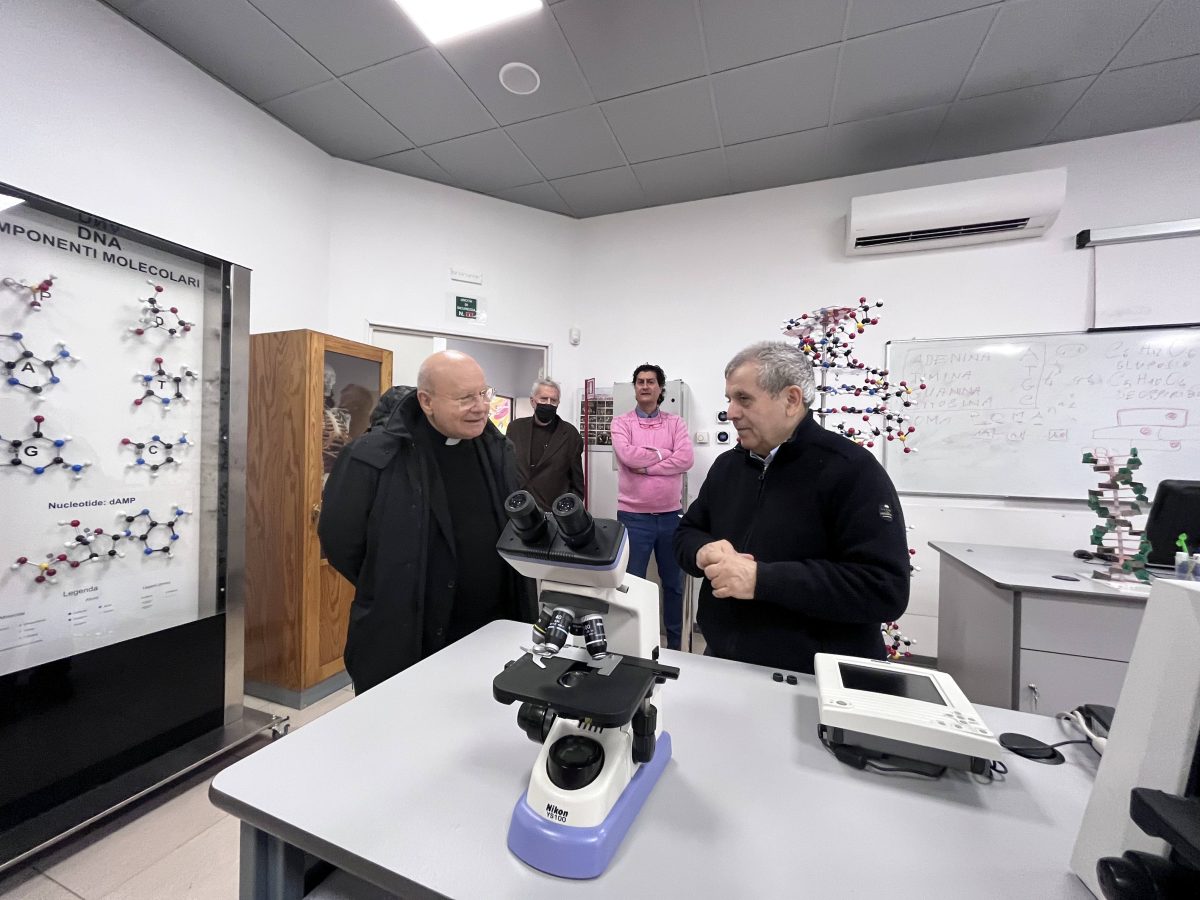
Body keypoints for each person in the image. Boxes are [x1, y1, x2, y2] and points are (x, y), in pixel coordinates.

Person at [674, 341, 909, 673]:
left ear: (791, 399)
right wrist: (701, 551)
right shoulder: (728, 467)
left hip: (815, 677)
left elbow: (884, 589)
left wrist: (762, 579)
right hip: (724, 661)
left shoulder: (851, 470)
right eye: (729, 399)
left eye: (744, 399)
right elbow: (688, 531)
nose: (731, 412)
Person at [319, 350, 536, 693]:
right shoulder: (371, 457)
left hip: (494, 634)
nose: (481, 406)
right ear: (427, 401)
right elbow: (341, 542)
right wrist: (394, 583)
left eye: (484, 393)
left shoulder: (499, 450)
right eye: (465, 397)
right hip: (405, 640)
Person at [610, 364, 694, 651]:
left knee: (673, 585)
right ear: (634, 387)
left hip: (671, 517)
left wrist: (647, 466)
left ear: (661, 388)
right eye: (640, 382)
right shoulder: (621, 423)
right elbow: (627, 455)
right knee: (632, 585)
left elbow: (685, 459)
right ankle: (634, 644)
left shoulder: (676, 424)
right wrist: (663, 455)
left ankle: (674, 648)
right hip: (633, 518)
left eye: (651, 382)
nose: (645, 386)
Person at [505, 378, 585, 511]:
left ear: (558, 403)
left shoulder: (570, 435)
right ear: (532, 401)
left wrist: (567, 512)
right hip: (518, 509)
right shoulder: (515, 428)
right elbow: (507, 468)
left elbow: (577, 484)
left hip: (553, 514)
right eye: (543, 399)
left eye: (553, 400)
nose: (548, 404)